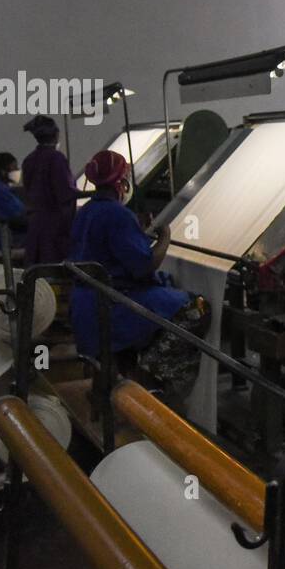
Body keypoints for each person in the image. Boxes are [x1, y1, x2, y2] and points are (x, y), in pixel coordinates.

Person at [68, 150, 207, 394]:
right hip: (112, 306)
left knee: (165, 293)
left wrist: (136, 233)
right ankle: (154, 375)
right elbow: (145, 265)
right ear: (120, 182)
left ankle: (131, 372)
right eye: (127, 177)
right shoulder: (117, 214)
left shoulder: (86, 212)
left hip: (84, 304)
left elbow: (108, 248)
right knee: (195, 308)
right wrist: (165, 238)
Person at [21, 115, 78, 265]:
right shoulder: (56, 159)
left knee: (38, 275)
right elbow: (65, 193)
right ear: (56, 134)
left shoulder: (29, 160)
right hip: (55, 227)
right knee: (54, 270)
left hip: (35, 227)